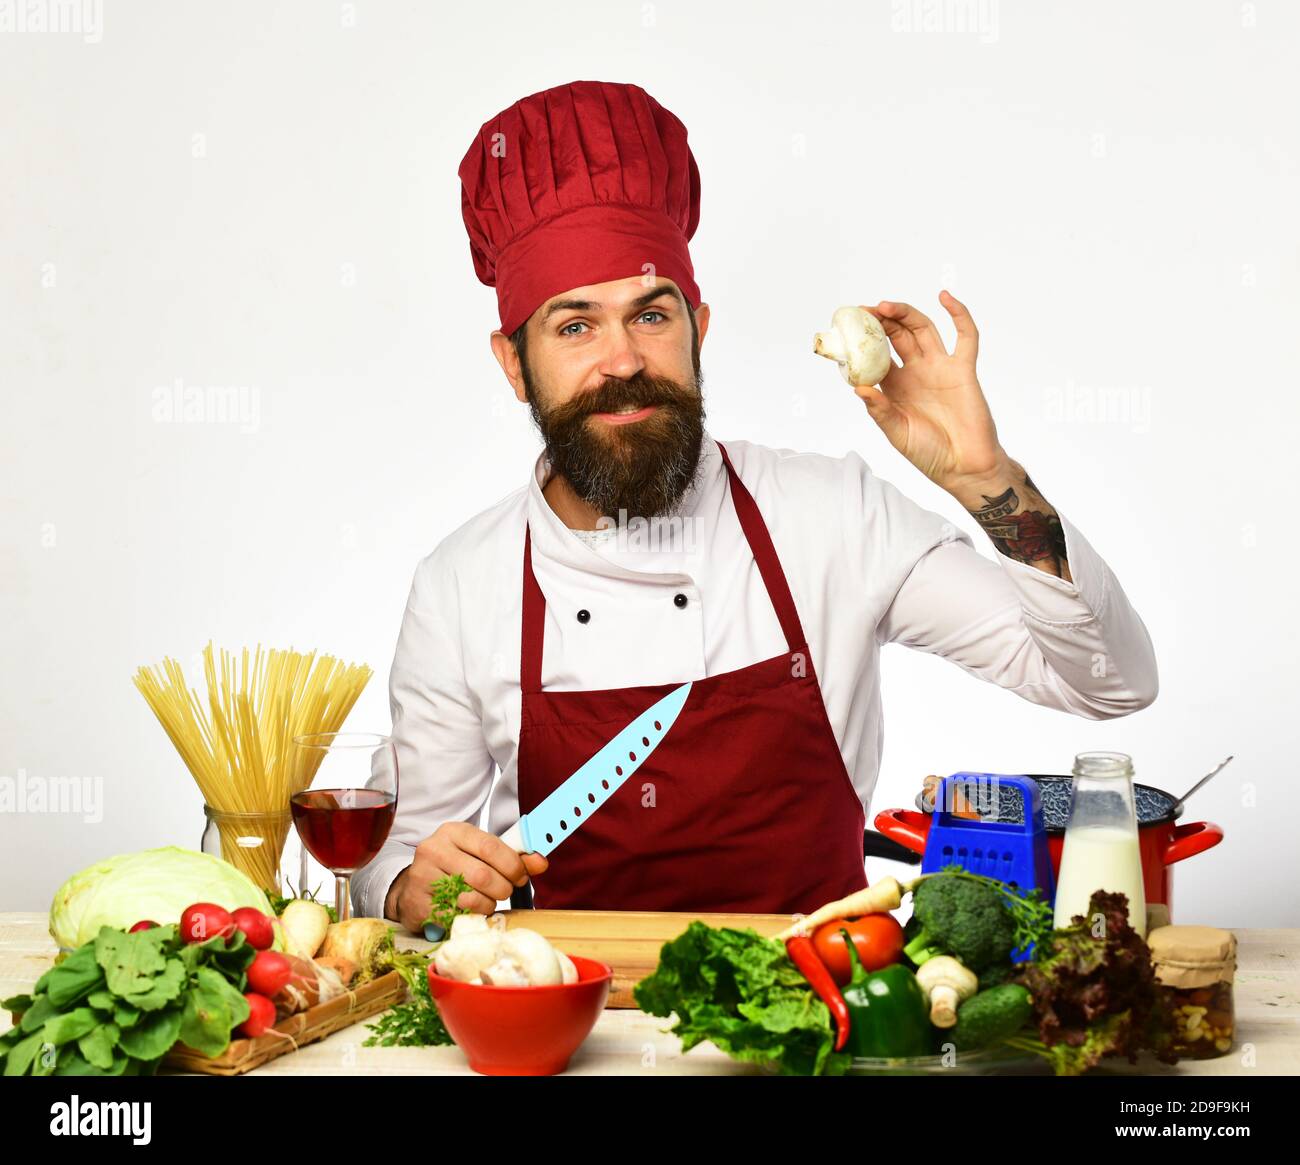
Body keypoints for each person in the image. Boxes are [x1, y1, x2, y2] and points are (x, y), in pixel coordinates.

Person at [351, 80, 1157, 930]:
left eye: (651, 315)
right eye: (575, 326)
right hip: (571, 1035)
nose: (623, 360)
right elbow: (398, 867)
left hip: (819, 1023)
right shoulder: (460, 586)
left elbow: (1110, 682)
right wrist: (416, 883)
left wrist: (985, 479)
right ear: (514, 364)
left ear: (698, 325)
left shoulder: (830, 516)